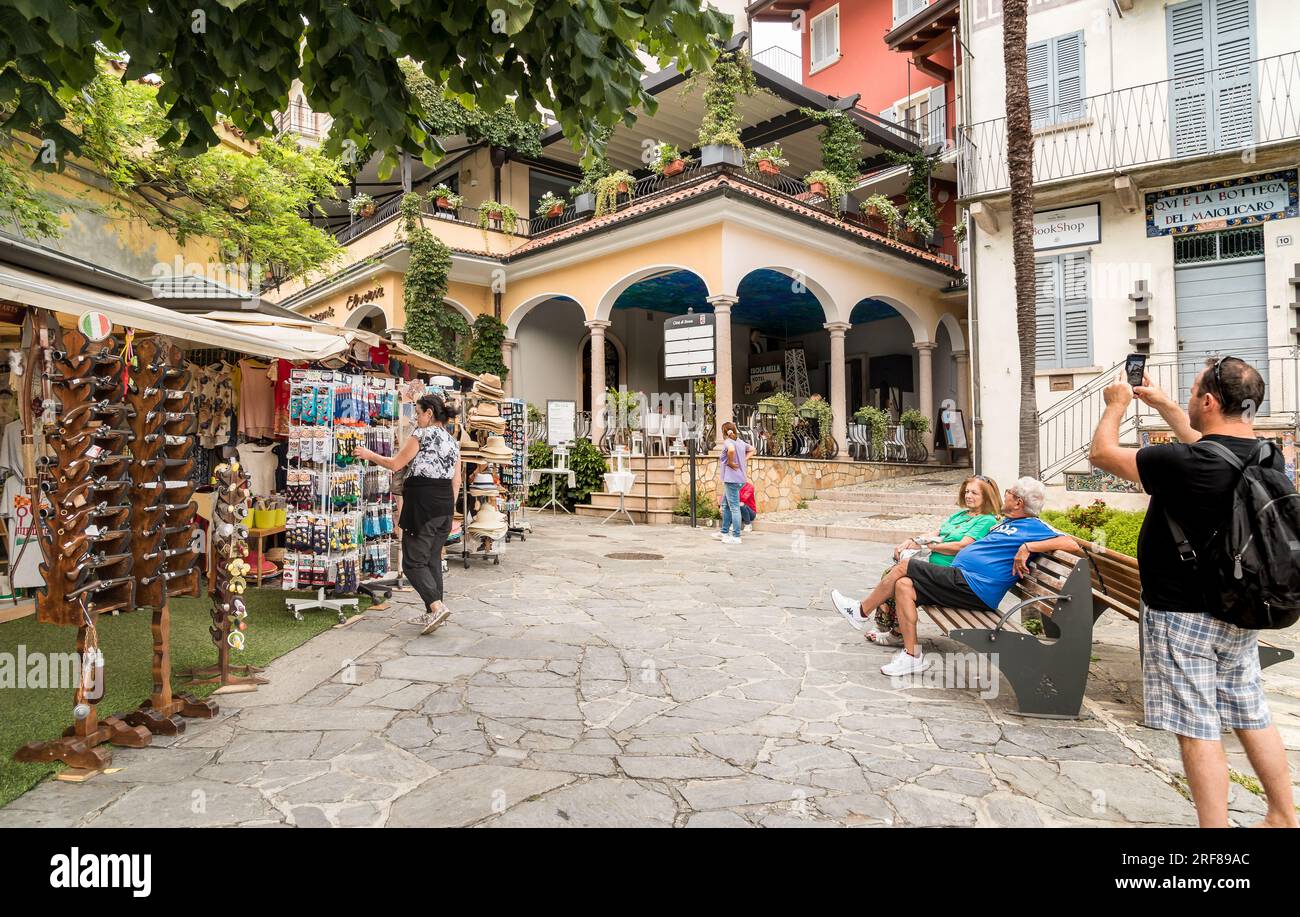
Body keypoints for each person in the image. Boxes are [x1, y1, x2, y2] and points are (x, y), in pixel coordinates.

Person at [1089, 358, 1298, 828]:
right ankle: (1284, 816)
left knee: (1197, 728)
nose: (1185, 398)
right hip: (1240, 607)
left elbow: (1102, 454)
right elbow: (1213, 447)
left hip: (1182, 612)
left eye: (1190, 392)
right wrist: (1163, 404)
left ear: (1208, 400)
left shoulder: (1177, 462)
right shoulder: (1268, 454)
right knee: (1251, 711)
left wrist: (1116, 405)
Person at [829, 477, 1080, 676]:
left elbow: (1073, 544)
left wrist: (1028, 547)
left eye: (1010, 493)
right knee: (904, 585)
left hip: (975, 588)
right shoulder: (1005, 521)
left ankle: (860, 612)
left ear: (1018, 502)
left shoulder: (1035, 526)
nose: (1005, 494)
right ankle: (912, 656)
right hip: (962, 580)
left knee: (905, 567)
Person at [842, 474, 1003, 646]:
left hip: (952, 574)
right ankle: (888, 628)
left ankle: (881, 623)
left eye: (975, 493)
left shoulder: (986, 520)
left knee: (897, 576)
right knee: (894, 576)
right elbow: (937, 533)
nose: (968, 496)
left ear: (986, 496)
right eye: (967, 491)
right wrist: (913, 541)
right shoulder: (961, 515)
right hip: (936, 569)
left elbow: (962, 546)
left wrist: (928, 547)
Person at [356, 393, 459, 635]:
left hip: (423, 504)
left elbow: (395, 464)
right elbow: (457, 481)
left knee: (412, 562)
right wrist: (450, 508)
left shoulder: (421, 435)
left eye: (417, 413)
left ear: (429, 413)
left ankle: (436, 606)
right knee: (432, 559)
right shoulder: (452, 441)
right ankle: (433, 610)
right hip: (444, 504)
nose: (416, 418)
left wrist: (369, 455)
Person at [715, 421, 751, 545]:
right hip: (740, 479)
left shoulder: (728, 442)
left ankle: (736, 536)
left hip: (731, 480)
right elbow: (753, 449)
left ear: (724, 432)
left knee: (734, 508)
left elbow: (730, 450)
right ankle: (724, 532)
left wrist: (730, 461)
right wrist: (743, 460)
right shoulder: (740, 442)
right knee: (725, 505)